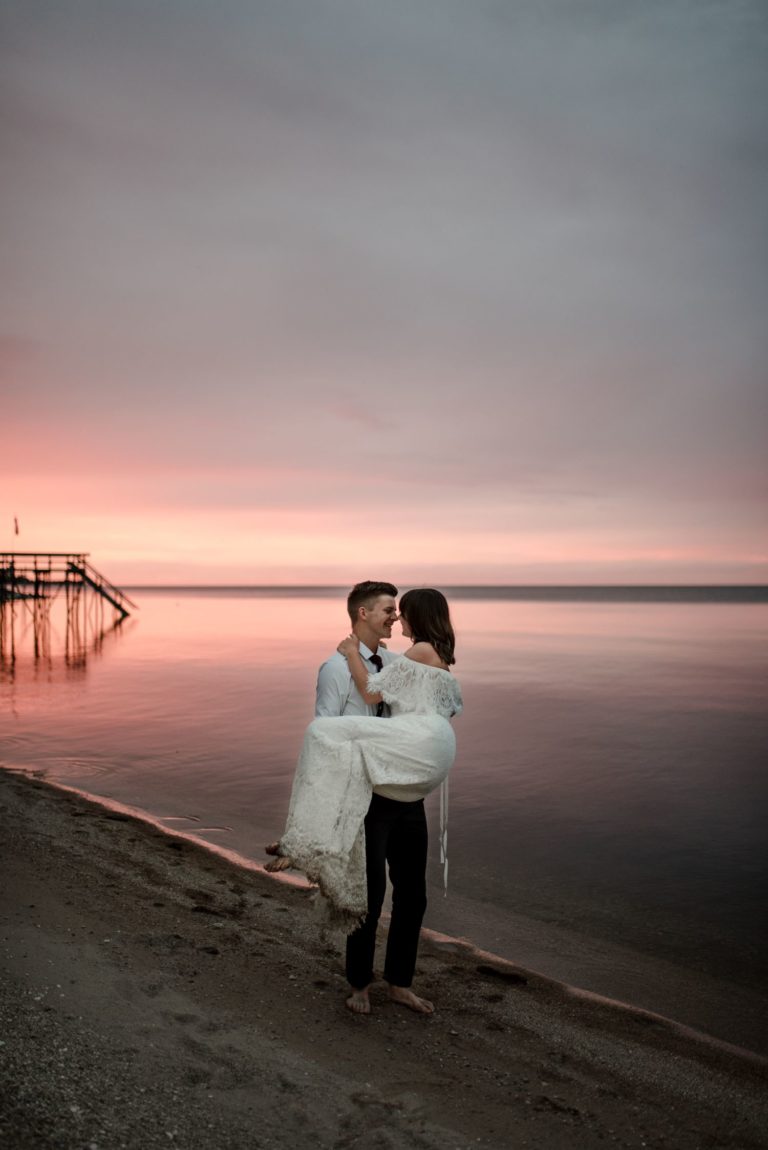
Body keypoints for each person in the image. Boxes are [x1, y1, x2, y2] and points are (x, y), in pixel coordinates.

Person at [265, 582, 462, 1016]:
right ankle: (359, 984)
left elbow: (401, 693)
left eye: (399, 611)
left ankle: (399, 982)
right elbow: (327, 730)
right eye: (388, 611)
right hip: (367, 796)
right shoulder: (334, 670)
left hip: (404, 789)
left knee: (413, 895)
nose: (395, 618)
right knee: (368, 896)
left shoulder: (400, 658)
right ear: (362, 615)